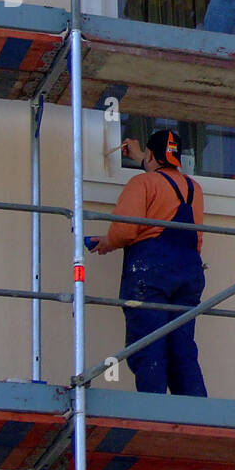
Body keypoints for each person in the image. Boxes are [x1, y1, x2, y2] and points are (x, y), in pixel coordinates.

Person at [86, 130, 208, 397]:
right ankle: (195, 412)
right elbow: (195, 236)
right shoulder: (193, 189)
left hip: (151, 272)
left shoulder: (141, 184)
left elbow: (126, 230)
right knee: (182, 348)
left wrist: (107, 241)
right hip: (189, 272)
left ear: (151, 155)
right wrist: (144, 156)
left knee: (149, 346)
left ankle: (152, 413)